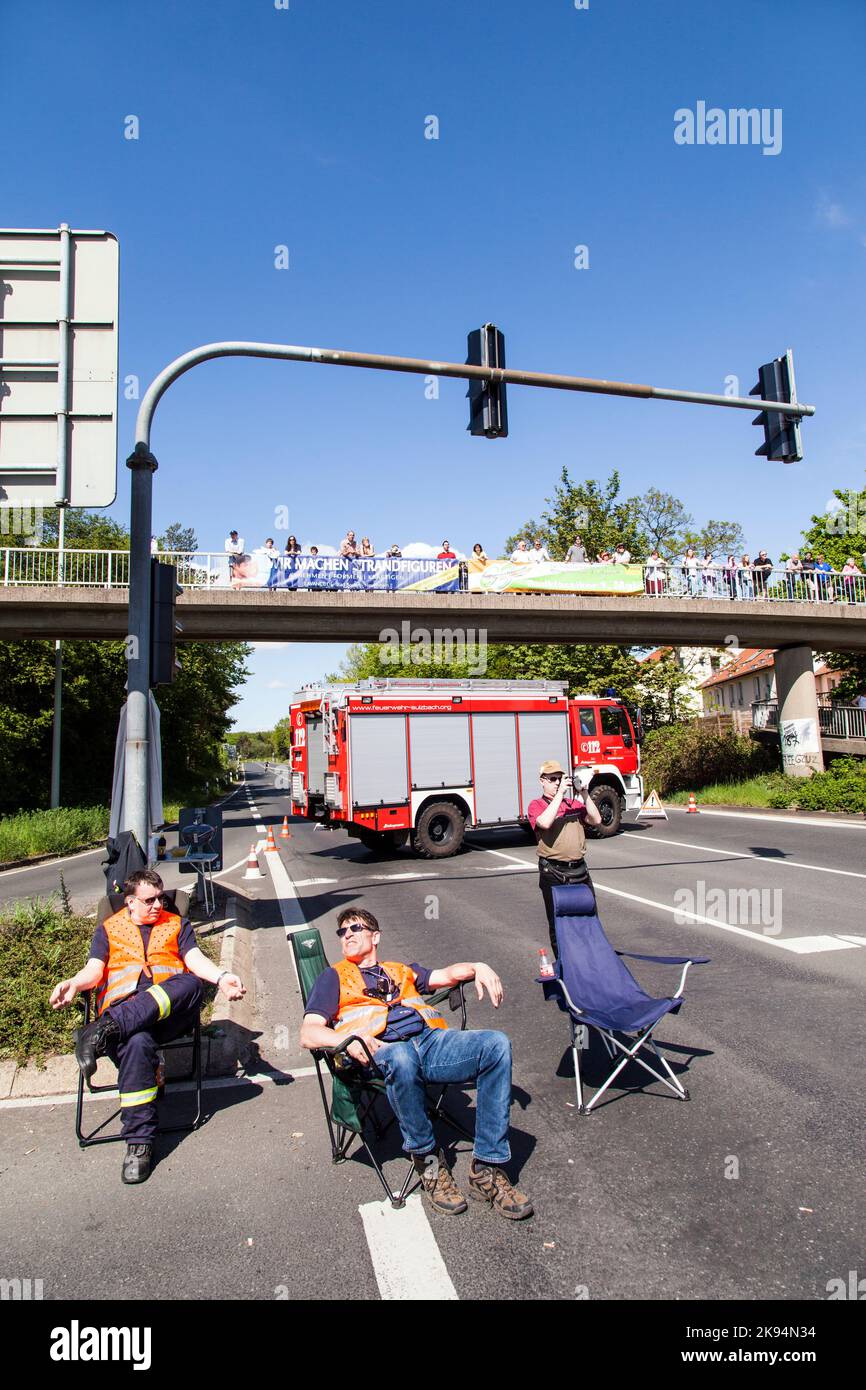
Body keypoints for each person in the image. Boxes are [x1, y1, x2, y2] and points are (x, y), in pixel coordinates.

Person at [299, 907, 533, 1220]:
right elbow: (308, 1032)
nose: (348, 935)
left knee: (496, 1044)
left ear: (375, 936)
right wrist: (352, 1038)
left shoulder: (399, 970)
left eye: (355, 928)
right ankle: (428, 1162)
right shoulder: (333, 977)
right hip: (381, 1051)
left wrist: (479, 966)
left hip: (430, 1043)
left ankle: (487, 1169)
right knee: (401, 1056)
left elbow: (448, 975)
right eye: (342, 932)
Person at [50, 870, 246, 1184]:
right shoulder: (108, 930)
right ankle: (139, 1142)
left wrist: (221, 978)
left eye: (161, 898)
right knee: (138, 1042)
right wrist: (74, 984)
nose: (158, 905)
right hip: (130, 1024)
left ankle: (100, 1032)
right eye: (149, 900)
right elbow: (94, 969)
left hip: (169, 1018)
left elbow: (193, 958)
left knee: (191, 983)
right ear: (129, 902)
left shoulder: (176, 923)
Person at [527, 761, 601, 957]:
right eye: (553, 779)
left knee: (588, 917)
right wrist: (559, 796)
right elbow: (544, 822)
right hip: (554, 872)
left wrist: (584, 793)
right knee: (559, 923)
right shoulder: (536, 805)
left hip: (579, 870)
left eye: (560, 779)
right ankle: (564, 963)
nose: (557, 783)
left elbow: (596, 820)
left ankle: (590, 958)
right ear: (542, 781)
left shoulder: (574, 804)